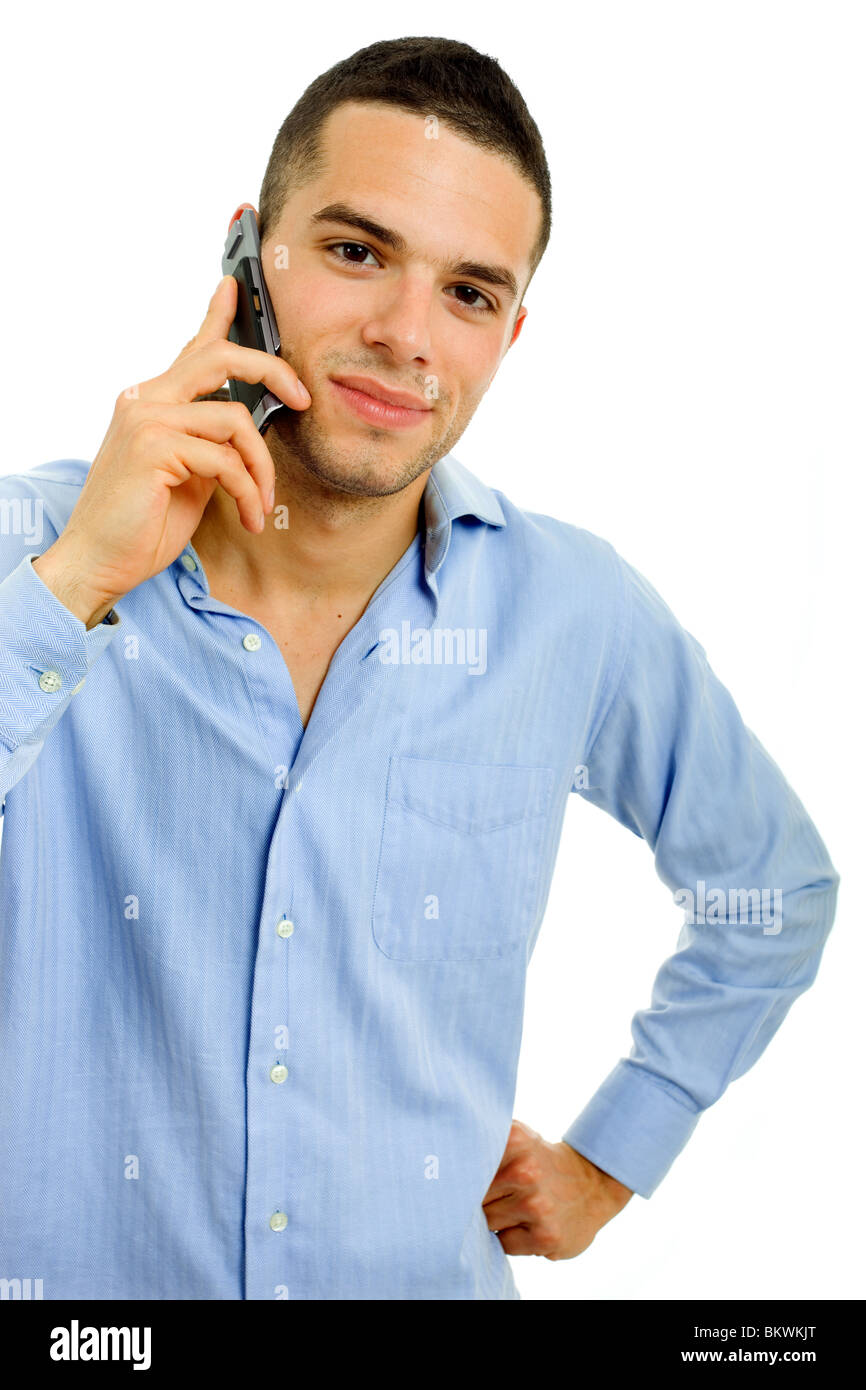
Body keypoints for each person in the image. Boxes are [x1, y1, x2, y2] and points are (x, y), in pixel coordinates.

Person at [0, 35, 838, 1301]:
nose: (405, 336)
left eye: (468, 292)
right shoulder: (32, 555)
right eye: (355, 252)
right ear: (249, 254)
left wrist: (613, 1156)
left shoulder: (572, 613)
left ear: (510, 329)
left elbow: (769, 891)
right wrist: (69, 594)